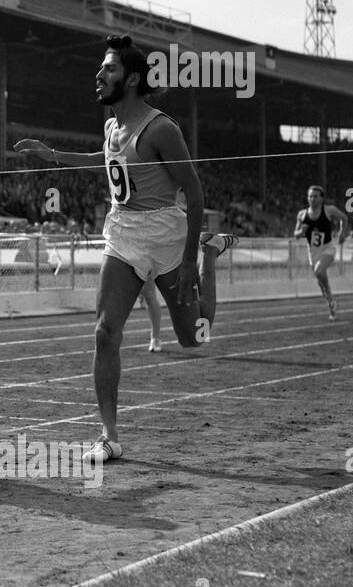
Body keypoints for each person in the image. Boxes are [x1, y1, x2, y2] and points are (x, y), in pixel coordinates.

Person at [15, 34, 237, 465]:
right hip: (123, 233)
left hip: (168, 236)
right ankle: (109, 436)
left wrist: (193, 258)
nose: (99, 75)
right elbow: (107, 164)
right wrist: (52, 155)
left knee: (193, 337)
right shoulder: (111, 127)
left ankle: (212, 254)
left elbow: (193, 193)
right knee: (104, 331)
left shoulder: (161, 129)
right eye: (100, 68)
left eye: (109, 69)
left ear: (132, 79)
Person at [293, 185, 348, 320]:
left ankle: (330, 300)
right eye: (310, 196)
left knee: (319, 271)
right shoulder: (302, 214)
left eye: (315, 196)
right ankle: (331, 303)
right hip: (312, 251)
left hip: (327, 248)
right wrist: (301, 232)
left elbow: (344, 218)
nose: (312, 199)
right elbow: (295, 234)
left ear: (321, 199)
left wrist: (342, 233)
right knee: (321, 282)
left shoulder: (329, 210)